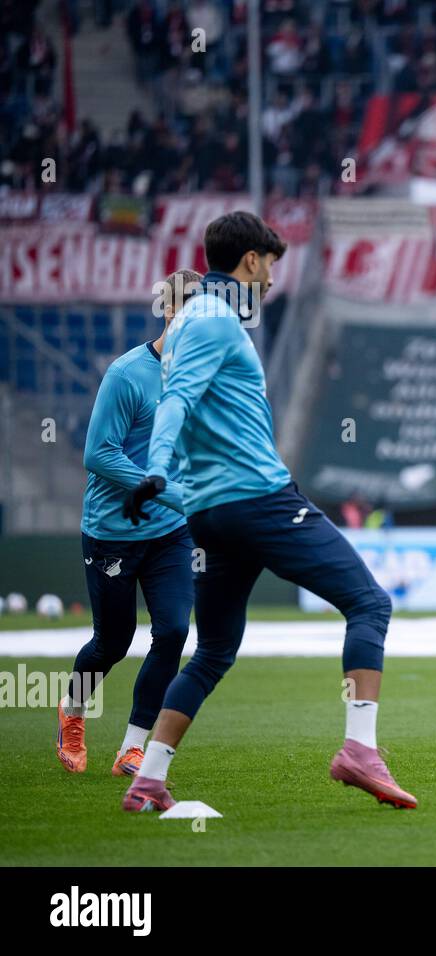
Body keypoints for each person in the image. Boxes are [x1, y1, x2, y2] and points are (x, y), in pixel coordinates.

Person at [119, 211, 416, 811]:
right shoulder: (215, 318)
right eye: (272, 264)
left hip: (210, 514)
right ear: (251, 260)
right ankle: (360, 750)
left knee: (212, 652)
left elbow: (181, 401)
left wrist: (166, 478)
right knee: (369, 603)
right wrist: (155, 466)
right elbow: (176, 402)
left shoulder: (187, 321)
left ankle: (148, 779)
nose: (274, 279)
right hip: (258, 499)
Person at [55, 269, 201, 778]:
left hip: (171, 533)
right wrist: (162, 488)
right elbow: (98, 454)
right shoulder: (126, 374)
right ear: (168, 311)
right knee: (111, 643)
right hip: (113, 533)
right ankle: (72, 711)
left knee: (174, 631)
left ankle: (133, 747)